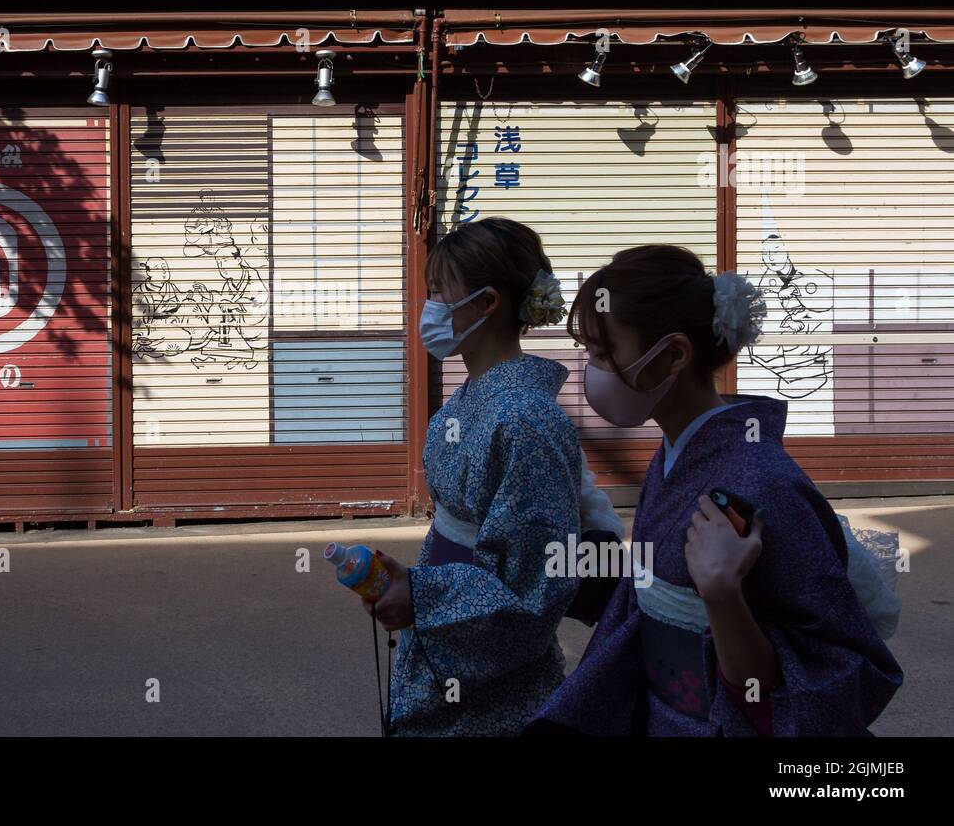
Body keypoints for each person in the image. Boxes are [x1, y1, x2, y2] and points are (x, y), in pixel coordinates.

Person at [530, 245, 903, 736]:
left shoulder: (762, 481)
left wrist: (722, 593)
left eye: (603, 352)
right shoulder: (673, 455)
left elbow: (818, 668)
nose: (591, 370)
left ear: (674, 355)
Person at [365, 217, 582, 735]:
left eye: (440, 292)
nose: (430, 307)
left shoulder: (525, 419)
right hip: (447, 630)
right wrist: (412, 583)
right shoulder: (476, 401)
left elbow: (534, 585)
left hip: (492, 690)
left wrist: (424, 596)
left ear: (488, 303)